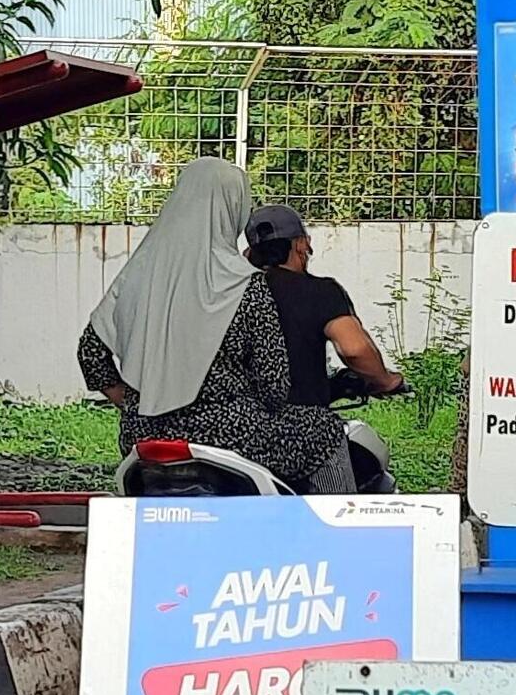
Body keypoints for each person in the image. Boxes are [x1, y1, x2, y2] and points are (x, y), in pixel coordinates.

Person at [80, 158, 344, 490]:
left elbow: (90, 352)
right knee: (325, 430)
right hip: (231, 434)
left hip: (141, 437)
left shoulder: (136, 276)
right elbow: (274, 387)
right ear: (233, 208)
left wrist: (134, 401)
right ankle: (337, 532)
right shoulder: (244, 284)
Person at [248, 202, 405, 407]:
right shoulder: (320, 292)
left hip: (235, 422)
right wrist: (385, 381)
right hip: (300, 423)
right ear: (301, 245)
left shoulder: (235, 291)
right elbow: (354, 349)